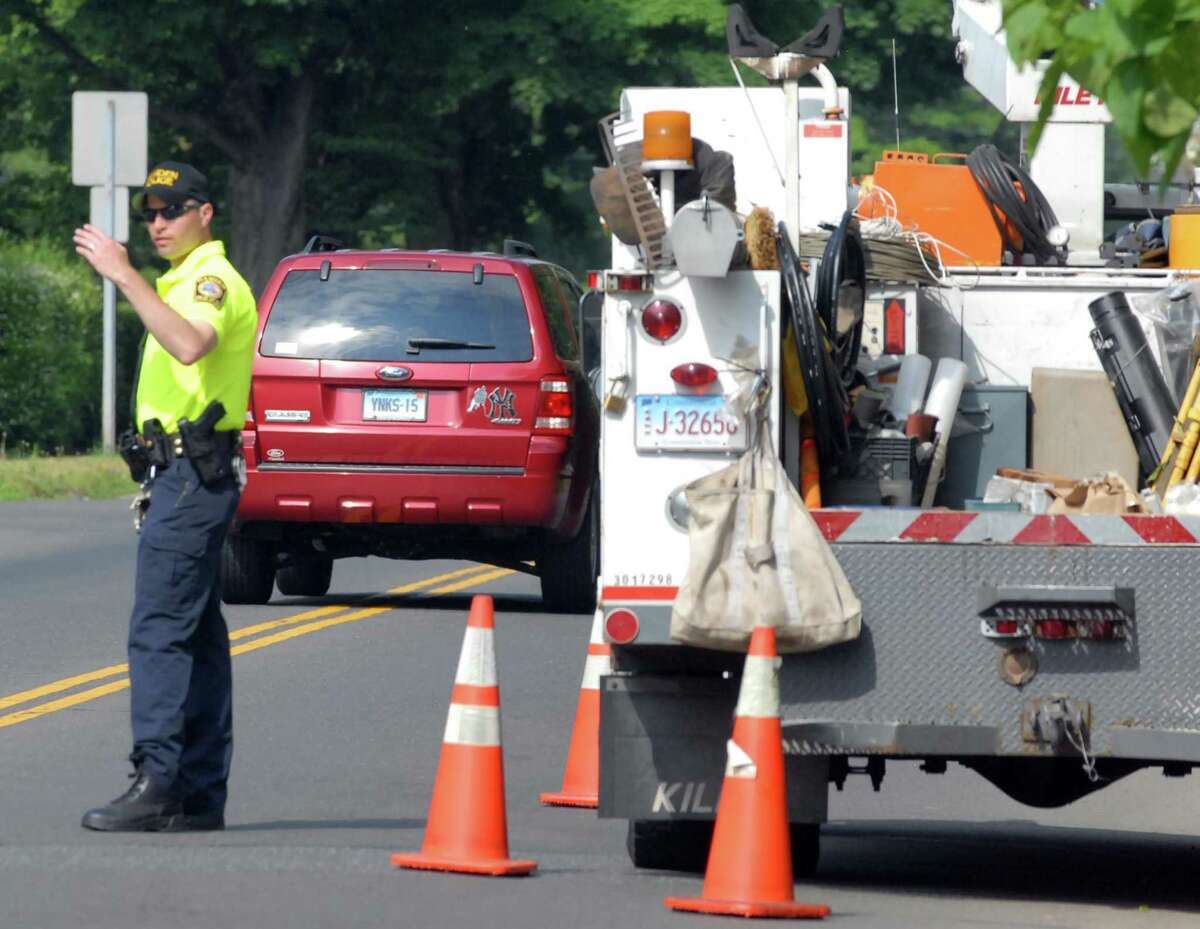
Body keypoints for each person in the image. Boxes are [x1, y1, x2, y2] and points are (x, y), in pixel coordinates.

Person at [74, 161, 257, 831]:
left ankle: (156, 780)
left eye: (172, 209)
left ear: (205, 212)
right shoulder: (180, 281)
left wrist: (124, 275)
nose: (158, 222)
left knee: (158, 631)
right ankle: (199, 788)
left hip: (190, 479)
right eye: (151, 212)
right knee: (197, 632)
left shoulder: (210, 281)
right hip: (180, 477)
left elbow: (189, 345)